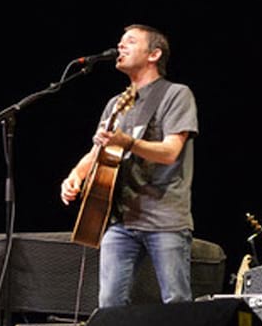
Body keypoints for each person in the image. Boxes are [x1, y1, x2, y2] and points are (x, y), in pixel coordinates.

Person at [60, 24, 198, 307]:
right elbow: (98, 151)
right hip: (120, 220)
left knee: (177, 304)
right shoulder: (116, 104)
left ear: (154, 54)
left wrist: (128, 143)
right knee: (109, 305)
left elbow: (171, 152)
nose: (120, 47)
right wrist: (76, 175)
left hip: (165, 218)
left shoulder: (176, 94)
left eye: (130, 42)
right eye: (120, 42)